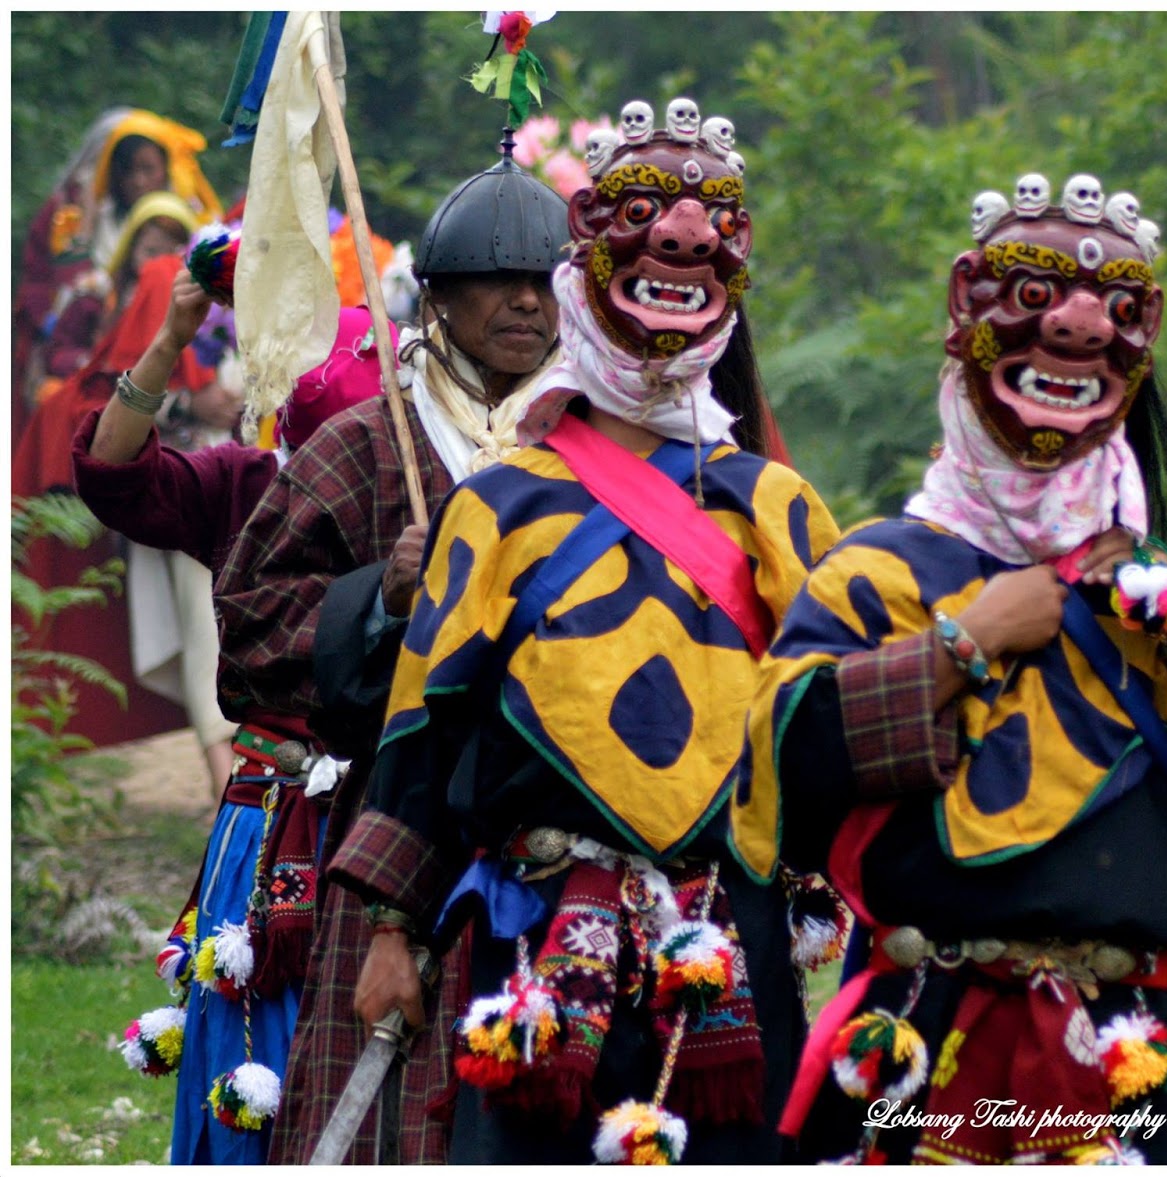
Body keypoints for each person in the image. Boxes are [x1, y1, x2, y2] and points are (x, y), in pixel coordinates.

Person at [730, 172, 1167, 1164]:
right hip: (924, 1030)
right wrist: (965, 641)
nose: (1076, 328)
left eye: (1115, 310)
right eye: (1031, 294)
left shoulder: (1166, 589)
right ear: (962, 312)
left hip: (1131, 1046)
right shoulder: (879, 570)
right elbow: (787, 763)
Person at [326, 98, 841, 1165]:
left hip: (729, 928)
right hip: (539, 917)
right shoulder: (498, 505)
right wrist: (392, 929)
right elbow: (423, 727)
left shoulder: (777, 507)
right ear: (587, 271)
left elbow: (834, 730)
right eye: (642, 223)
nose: (681, 245)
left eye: (709, 233)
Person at [212, 139, 573, 1165]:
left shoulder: (604, 447)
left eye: (545, 282)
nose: (525, 302)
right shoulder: (369, 443)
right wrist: (381, 601)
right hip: (393, 825)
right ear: (438, 300)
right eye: (495, 280)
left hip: (572, 840)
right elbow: (249, 630)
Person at [84, 273, 390, 1164]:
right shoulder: (247, 483)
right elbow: (114, 476)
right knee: (254, 1053)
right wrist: (171, 336)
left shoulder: (433, 491)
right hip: (268, 815)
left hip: (395, 810)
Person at [12, 252, 235, 750]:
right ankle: (226, 785)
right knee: (206, 642)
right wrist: (179, 375)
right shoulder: (128, 292)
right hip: (186, 496)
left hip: (251, 486)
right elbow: (104, 440)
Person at [14, 107, 222, 431]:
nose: (137, 181)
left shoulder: (188, 233)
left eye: (147, 169)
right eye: (126, 170)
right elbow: (62, 331)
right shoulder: (80, 229)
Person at [39, 189, 200, 388]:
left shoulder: (194, 311)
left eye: (173, 256)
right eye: (150, 252)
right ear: (130, 248)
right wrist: (88, 363)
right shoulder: (97, 295)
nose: (160, 264)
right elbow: (56, 353)